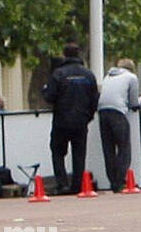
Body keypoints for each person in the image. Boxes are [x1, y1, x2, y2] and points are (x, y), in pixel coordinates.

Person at [42, 43, 99, 195]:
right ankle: (78, 185)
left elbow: (50, 96)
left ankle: (62, 184)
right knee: (79, 154)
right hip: (81, 120)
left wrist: (45, 90)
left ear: (64, 55)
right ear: (78, 54)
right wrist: (89, 116)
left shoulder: (58, 74)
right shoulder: (88, 75)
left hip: (61, 120)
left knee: (57, 151)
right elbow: (95, 99)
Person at [97, 58, 141, 192]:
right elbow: (133, 103)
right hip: (117, 112)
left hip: (102, 112)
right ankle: (120, 181)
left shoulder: (107, 76)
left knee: (108, 149)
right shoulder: (131, 78)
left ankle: (112, 181)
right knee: (124, 148)